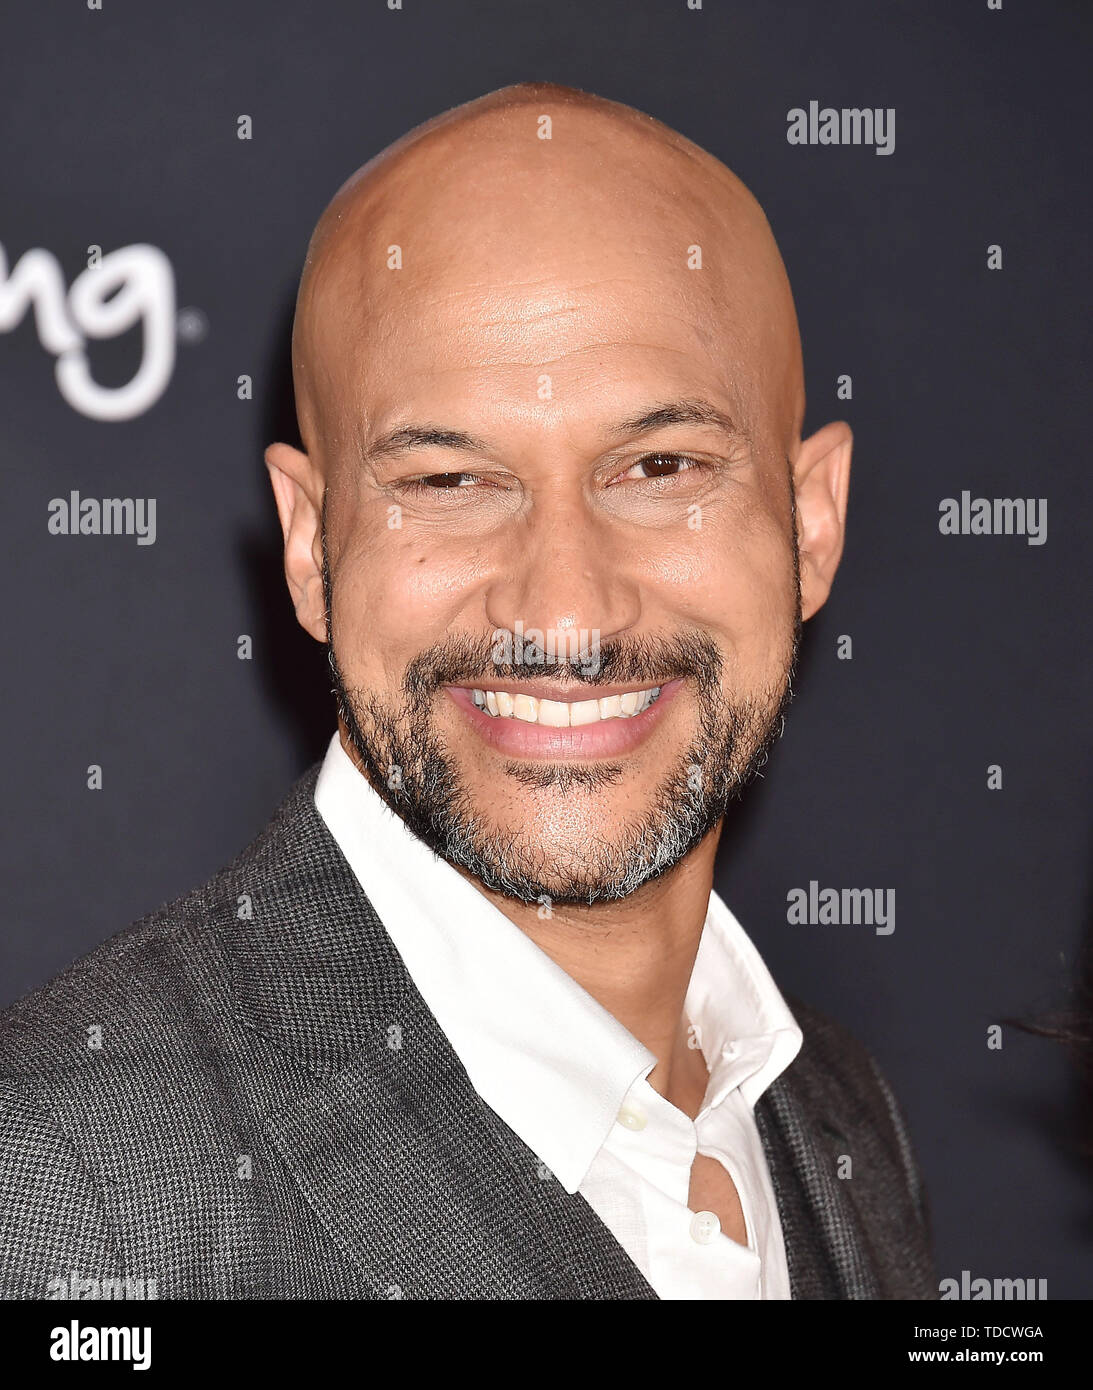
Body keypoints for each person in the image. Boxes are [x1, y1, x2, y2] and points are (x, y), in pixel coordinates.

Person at [0, 82, 935, 1300]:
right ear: (309, 548)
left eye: (658, 467)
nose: (562, 608)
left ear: (812, 523)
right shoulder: (76, 1184)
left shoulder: (842, 1118)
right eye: (448, 481)